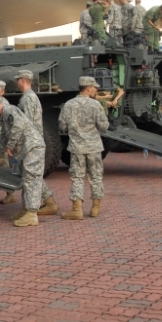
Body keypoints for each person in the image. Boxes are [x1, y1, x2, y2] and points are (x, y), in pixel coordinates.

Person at [2, 70, 60, 214]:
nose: (16, 82)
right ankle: (49, 202)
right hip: (33, 142)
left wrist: (16, 143)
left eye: (18, 79)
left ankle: (38, 206)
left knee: (30, 176)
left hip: (30, 143)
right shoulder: (30, 97)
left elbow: (25, 123)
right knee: (32, 175)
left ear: (23, 80)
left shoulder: (28, 99)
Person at [0, 102, 46, 228]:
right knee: (26, 180)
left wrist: (11, 145)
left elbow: (19, 125)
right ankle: (26, 209)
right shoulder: (3, 119)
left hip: (32, 147)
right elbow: (3, 142)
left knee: (32, 179)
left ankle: (32, 214)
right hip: (26, 150)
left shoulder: (9, 109)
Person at [58, 76, 110, 219]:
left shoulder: (68, 105)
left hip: (76, 147)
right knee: (96, 177)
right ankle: (95, 208)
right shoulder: (96, 105)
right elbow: (104, 126)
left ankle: (77, 209)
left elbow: (62, 126)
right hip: (94, 147)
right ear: (88, 88)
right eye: (95, 87)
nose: (96, 90)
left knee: (77, 177)